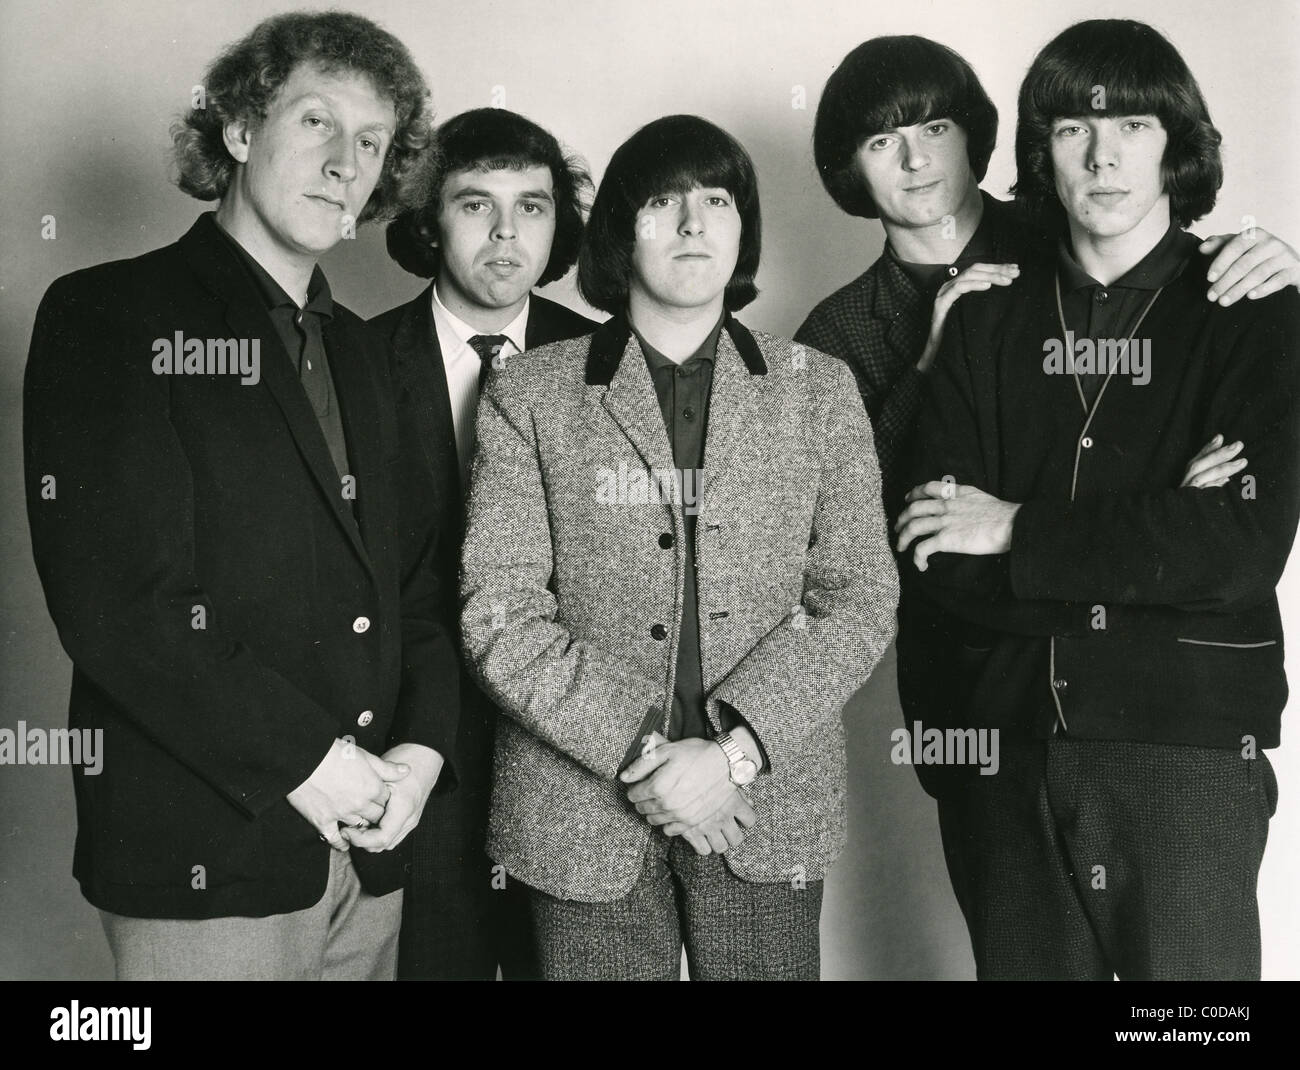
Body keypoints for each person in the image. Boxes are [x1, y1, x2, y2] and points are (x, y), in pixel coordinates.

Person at [23, 10, 459, 981]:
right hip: (207, 858)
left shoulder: (361, 349)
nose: (346, 160)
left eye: (372, 142)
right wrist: (312, 762)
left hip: (372, 854)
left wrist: (422, 755)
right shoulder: (108, 313)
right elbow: (121, 605)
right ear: (238, 128)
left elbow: (418, 584)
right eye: (316, 121)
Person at [895, 18, 1300, 980]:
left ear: (1178, 150)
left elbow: (1236, 550)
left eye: (1136, 127)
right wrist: (1158, 520)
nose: (1105, 153)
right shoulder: (987, 314)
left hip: (1186, 752)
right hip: (1006, 750)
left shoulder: (1255, 307)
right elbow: (933, 553)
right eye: (1075, 126)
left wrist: (1015, 526)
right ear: (1043, 153)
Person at [795, 33, 1300, 799]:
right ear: (850, 168)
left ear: (977, 136)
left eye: (934, 129)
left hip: (1159, 710)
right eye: (881, 140)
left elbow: (1221, 520)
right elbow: (875, 534)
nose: (915, 160)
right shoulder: (835, 335)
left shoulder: (1078, 229)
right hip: (980, 704)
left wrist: (1278, 268)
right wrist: (933, 359)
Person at [459, 114, 898, 980]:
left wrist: (733, 752)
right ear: (621, 233)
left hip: (764, 806)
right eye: (663, 202)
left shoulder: (817, 390)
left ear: (744, 228)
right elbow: (500, 611)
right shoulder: (532, 391)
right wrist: (647, 752)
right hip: (579, 811)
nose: (695, 224)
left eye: (718, 199)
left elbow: (857, 596)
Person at [370, 107, 596, 981]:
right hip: (420, 753)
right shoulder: (358, 360)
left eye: (532, 207)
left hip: (571, 753)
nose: (507, 233)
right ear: (429, 221)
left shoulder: (606, 360)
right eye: (476, 205)